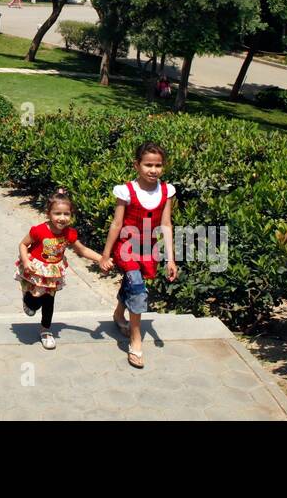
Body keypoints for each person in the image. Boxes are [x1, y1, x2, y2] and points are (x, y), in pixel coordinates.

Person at [97, 141, 179, 369]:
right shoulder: (126, 191)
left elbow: (166, 225)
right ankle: (135, 341)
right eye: (148, 165)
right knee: (137, 288)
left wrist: (171, 258)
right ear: (137, 165)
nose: (153, 170)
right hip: (126, 247)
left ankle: (118, 314)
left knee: (133, 283)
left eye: (158, 165)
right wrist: (105, 255)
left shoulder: (166, 191)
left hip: (148, 249)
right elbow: (116, 223)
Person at [15, 190, 104, 350]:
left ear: (71, 215)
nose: (62, 218)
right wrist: (26, 260)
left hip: (53, 272)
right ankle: (27, 299)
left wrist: (100, 258)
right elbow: (23, 244)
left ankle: (46, 330)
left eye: (66, 214)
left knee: (49, 300)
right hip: (36, 269)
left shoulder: (69, 233)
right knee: (35, 302)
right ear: (48, 213)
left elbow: (82, 250)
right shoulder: (39, 230)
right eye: (57, 213)